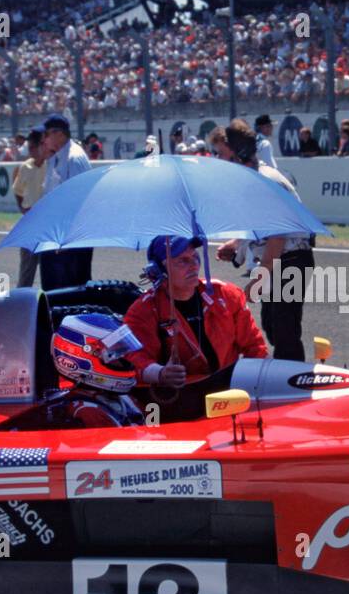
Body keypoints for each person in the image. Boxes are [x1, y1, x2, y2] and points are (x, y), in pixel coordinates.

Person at [215, 118, 314, 361]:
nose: (218, 161)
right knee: (272, 326)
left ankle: (293, 384)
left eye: (222, 155)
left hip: (291, 261)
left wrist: (259, 279)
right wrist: (236, 244)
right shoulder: (252, 179)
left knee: (284, 330)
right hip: (280, 261)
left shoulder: (265, 181)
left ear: (239, 154)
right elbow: (256, 225)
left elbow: (277, 236)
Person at [123, 234, 268, 390]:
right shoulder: (143, 310)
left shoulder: (227, 295)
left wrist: (255, 387)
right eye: (183, 261)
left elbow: (255, 348)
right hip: (179, 401)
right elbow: (131, 362)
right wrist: (160, 373)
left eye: (195, 257)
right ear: (158, 271)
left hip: (229, 394)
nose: (193, 265)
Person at [43, 313, 146, 428]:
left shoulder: (124, 398)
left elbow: (153, 426)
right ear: (84, 356)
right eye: (113, 355)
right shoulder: (90, 414)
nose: (122, 360)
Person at [39, 114, 94, 289]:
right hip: (56, 234)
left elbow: (79, 201)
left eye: (47, 134)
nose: (44, 139)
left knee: (72, 289)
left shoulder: (73, 158)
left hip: (70, 237)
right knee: (55, 289)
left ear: (60, 134)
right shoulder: (56, 157)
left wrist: (65, 238)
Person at [11, 127, 47, 288]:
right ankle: (21, 300)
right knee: (27, 268)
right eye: (29, 148)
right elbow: (17, 190)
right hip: (31, 220)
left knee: (50, 269)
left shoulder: (51, 164)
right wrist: (22, 209)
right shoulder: (25, 167)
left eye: (33, 147)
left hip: (48, 222)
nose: (30, 151)